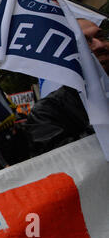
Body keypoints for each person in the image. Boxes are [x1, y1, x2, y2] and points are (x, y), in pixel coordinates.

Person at [23, 18, 108, 156]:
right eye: (84, 42)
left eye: (100, 36)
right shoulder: (47, 113)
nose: (99, 45)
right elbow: (69, 162)